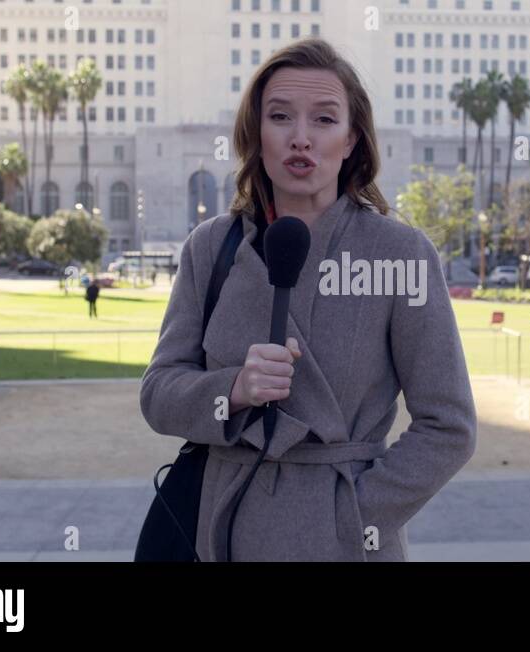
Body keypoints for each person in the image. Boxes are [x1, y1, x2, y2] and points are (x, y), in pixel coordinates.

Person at [140, 38, 476, 562]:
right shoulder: (211, 247)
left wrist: (350, 516)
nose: (301, 139)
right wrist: (235, 388)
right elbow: (159, 393)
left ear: (351, 141)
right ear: (256, 136)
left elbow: (448, 426)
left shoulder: (401, 254)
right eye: (280, 117)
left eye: (323, 120)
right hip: (225, 535)